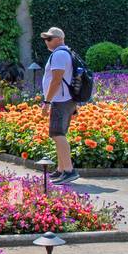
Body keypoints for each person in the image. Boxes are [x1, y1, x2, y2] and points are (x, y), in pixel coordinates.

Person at [39, 26, 79, 185]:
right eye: (45, 39)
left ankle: (69, 170)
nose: (46, 42)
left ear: (58, 39)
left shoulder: (60, 54)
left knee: (57, 134)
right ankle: (62, 169)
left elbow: (56, 80)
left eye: (49, 39)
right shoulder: (63, 53)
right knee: (58, 134)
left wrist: (46, 101)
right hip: (65, 99)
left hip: (60, 100)